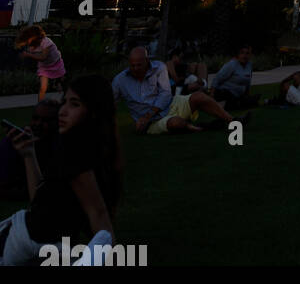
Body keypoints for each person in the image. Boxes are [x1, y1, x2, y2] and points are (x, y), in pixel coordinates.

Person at [1, 76, 119, 266]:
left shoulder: (78, 154)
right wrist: (29, 155)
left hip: (36, 242)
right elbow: (40, 202)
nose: (62, 111)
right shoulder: (76, 149)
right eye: (64, 102)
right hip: (29, 237)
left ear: (94, 111)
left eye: (74, 104)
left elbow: (98, 214)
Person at [112, 47, 242, 134]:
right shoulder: (120, 80)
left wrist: (147, 115)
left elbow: (165, 94)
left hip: (170, 104)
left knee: (198, 96)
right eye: (132, 65)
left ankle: (233, 121)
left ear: (147, 61)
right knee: (175, 123)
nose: (135, 68)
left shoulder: (159, 68)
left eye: (139, 65)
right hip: (152, 122)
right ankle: (203, 128)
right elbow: (111, 103)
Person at [0, 99, 60, 200]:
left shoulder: (58, 145)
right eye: (35, 118)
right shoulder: (17, 140)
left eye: (46, 120)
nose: (38, 123)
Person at [16, 25, 66, 102]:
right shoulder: (32, 46)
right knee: (43, 87)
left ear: (35, 36)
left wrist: (28, 54)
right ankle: (40, 105)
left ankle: (58, 84)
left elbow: (43, 57)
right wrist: (24, 54)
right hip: (44, 67)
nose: (28, 41)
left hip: (56, 63)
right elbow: (34, 54)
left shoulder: (46, 42)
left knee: (62, 85)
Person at [213, 45, 259, 110]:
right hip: (225, 92)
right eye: (242, 53)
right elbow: (217, 78)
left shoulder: (249, 65)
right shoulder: (232, 64)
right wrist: (211, 94)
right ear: (238, 54)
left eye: (247, 53)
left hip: (238, 94)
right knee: (235, 102)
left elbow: (248, 82)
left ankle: (243, 102)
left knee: (248, 101)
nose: (244, 56)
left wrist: (247, 95)